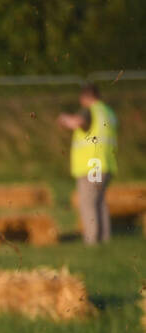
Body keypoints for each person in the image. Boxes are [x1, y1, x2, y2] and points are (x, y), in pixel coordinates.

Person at [59, 82, 118, 244]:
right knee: (99, 201)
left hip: (93, 164)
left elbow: (78, 122)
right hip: (106, 163)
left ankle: (91, 240)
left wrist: (64, 119)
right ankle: (104, 238)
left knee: (87, 202)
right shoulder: (108, 112)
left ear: (85, 97)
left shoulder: (90, 110)